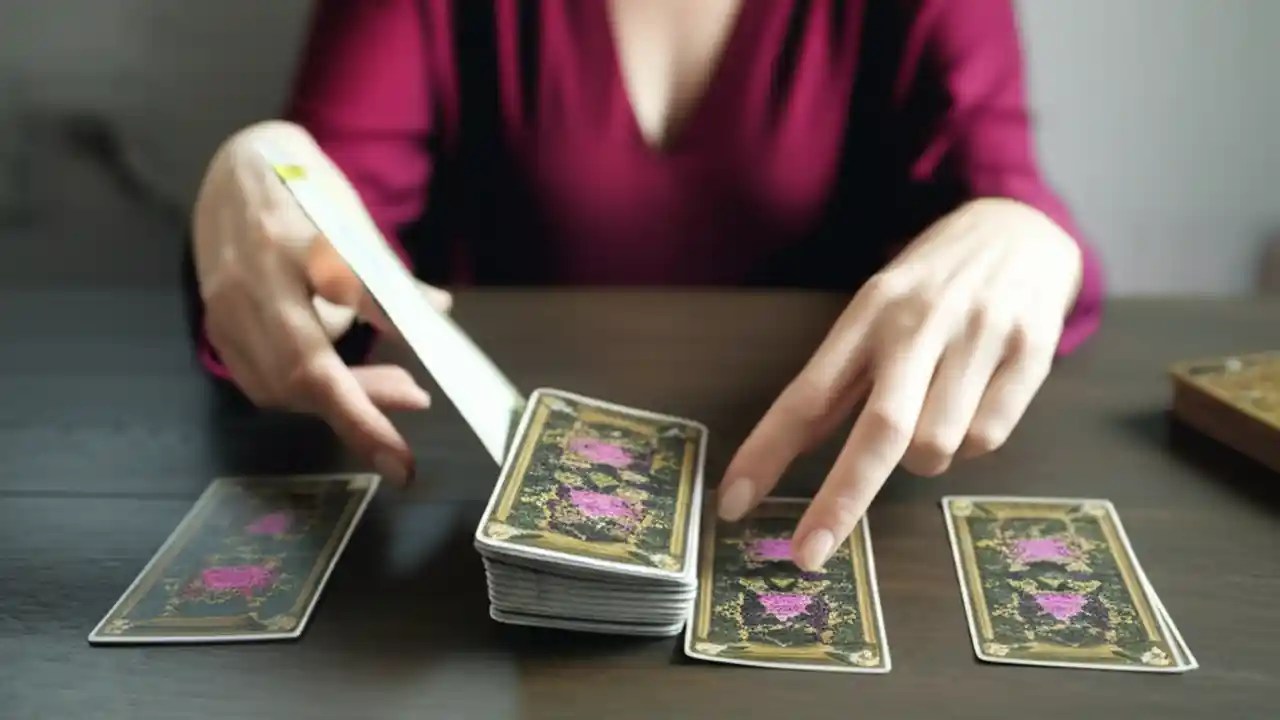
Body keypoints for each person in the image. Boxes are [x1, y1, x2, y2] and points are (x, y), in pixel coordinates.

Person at [188, 0, 1103, 572]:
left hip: (832, 511)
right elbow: (319, 226)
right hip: (477, 541)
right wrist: (261, 168)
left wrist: (1024, 232)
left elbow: (998, 181)